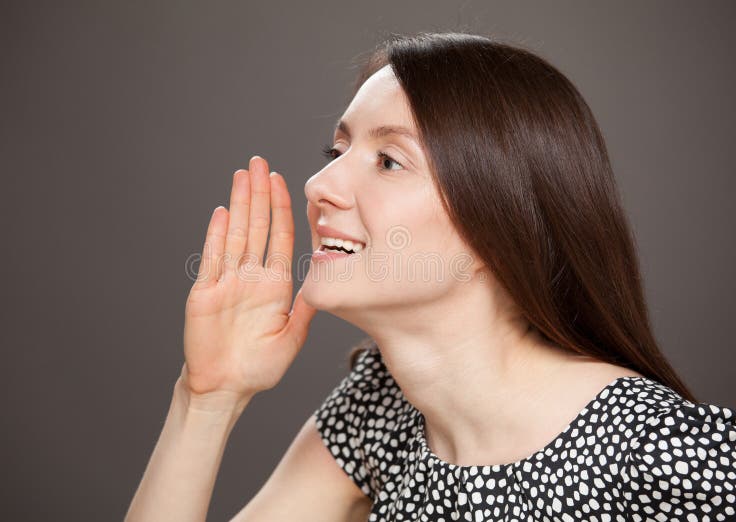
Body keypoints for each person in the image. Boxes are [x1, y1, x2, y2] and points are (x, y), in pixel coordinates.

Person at [124, 32, 736, 522]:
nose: (318, 186)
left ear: (498, 226)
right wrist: (205, 400)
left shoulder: (662, 453)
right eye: (336, 154)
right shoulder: (379, 409)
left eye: (389, 161)